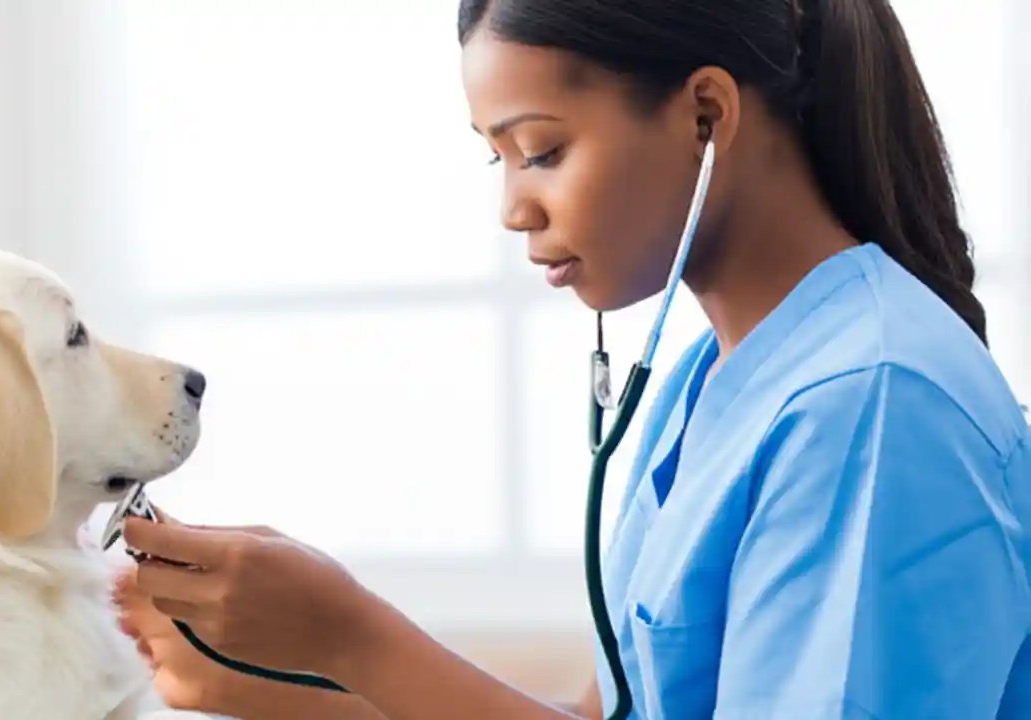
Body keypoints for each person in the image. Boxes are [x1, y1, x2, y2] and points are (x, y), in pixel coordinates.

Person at [114, 0, 1031, 717]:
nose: (515, 208)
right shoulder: (705, 385)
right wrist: (282, 668)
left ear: (707, 114)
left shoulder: (869, 404)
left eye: (542, 150)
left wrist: (354, 636)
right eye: (498, 161)